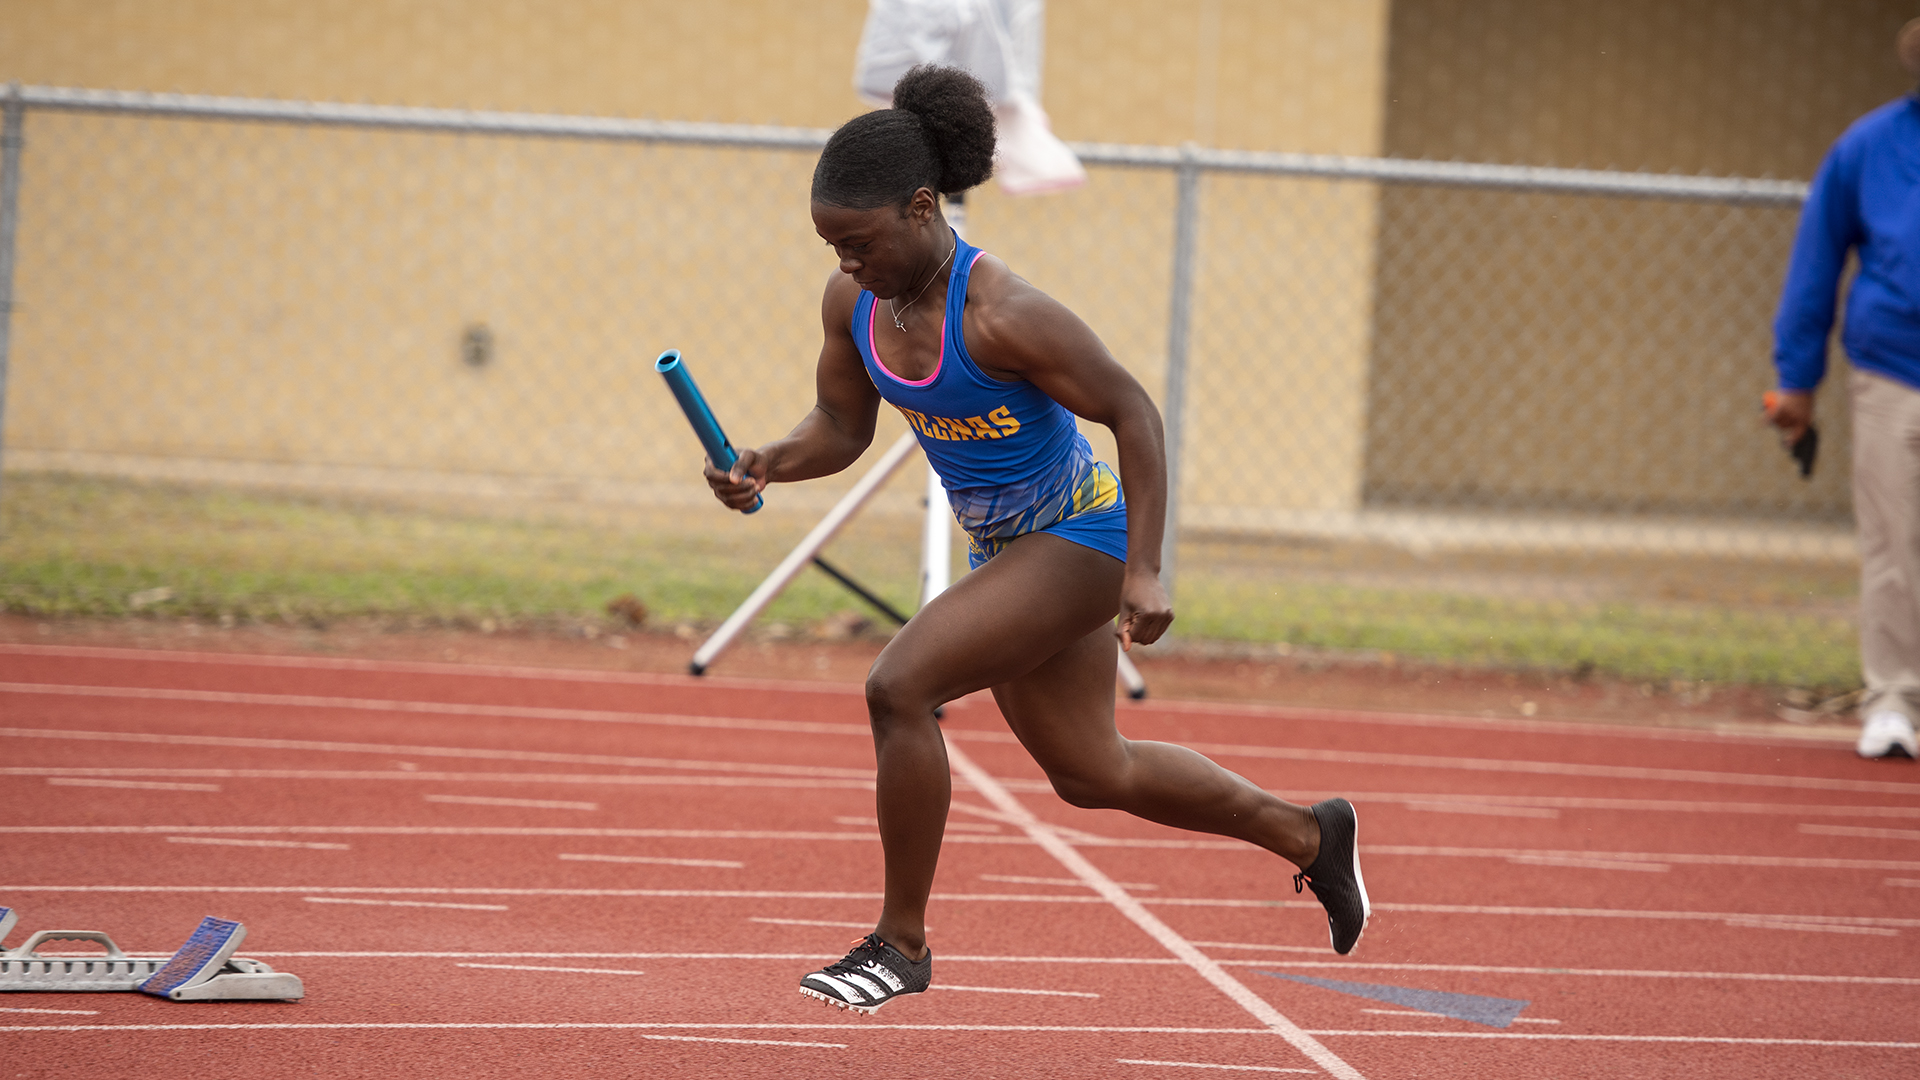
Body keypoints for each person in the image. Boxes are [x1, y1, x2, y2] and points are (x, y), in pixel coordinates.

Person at [703, 65, 1369, 1015]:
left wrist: (1146, 569)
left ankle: (900, 944)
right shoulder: (853, 305)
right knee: (1093, 772)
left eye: (859, 243)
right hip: (1009, 554)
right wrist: (769, 460)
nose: (846, 263)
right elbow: (842, 426)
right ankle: (1311, 834)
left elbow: (1133, 412)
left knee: (900, 687)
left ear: (923, 208)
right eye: (833, 247)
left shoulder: (1003, 313)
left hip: (1083, 537)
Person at [1769, 21, 1920, 762]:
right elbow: (1816, 261)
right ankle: (1894, 701)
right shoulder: (1869, 145)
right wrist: (1796, 380)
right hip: (1894, 370)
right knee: (1895, 546)